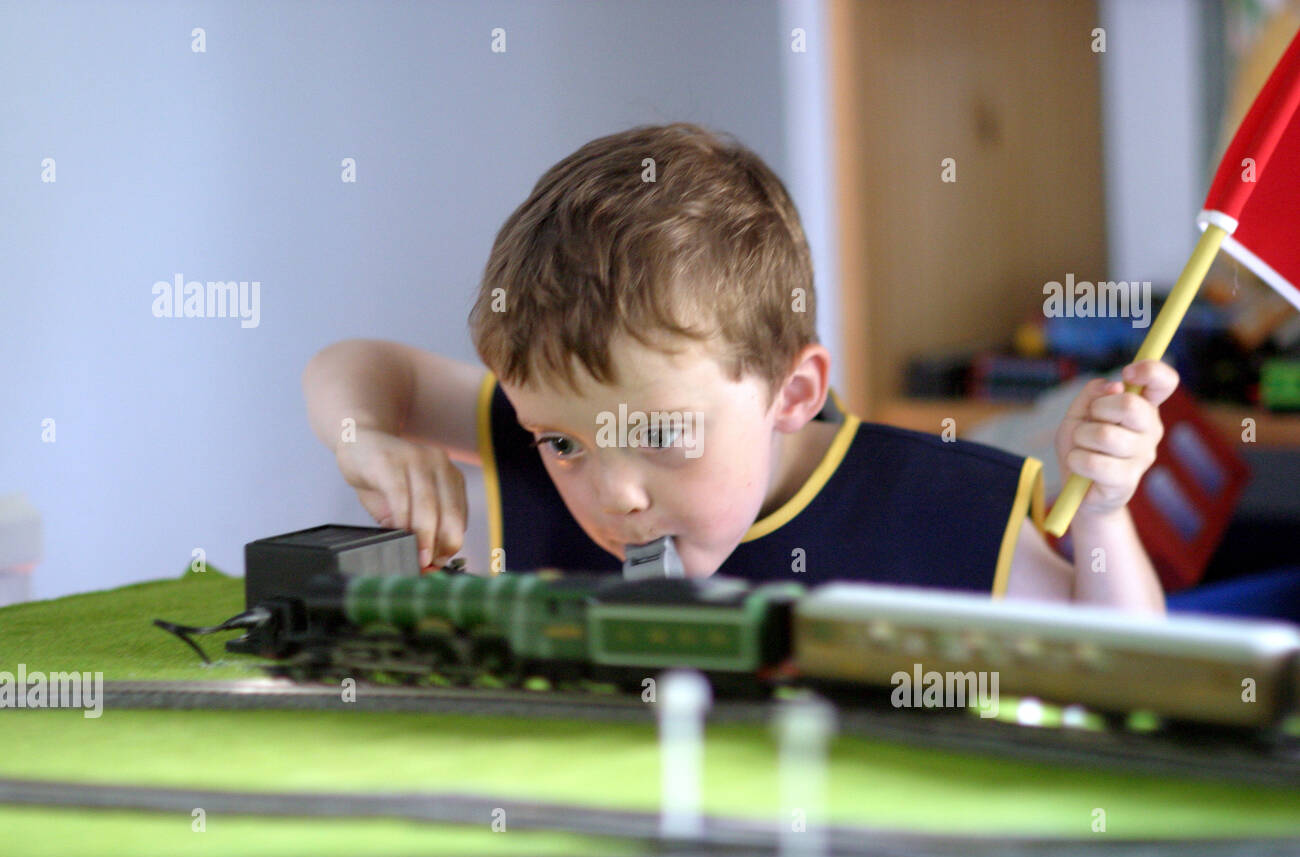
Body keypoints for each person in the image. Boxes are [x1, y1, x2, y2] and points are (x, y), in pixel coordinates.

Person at [304, 123, 1174, 611]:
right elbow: (363, 367)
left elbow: (1136, 668)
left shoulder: (935, 514)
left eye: (661, 434)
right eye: (563, 445)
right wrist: (366, 438)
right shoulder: (571, 431)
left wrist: (1102, 517)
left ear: (792, 392)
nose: (615, 495)